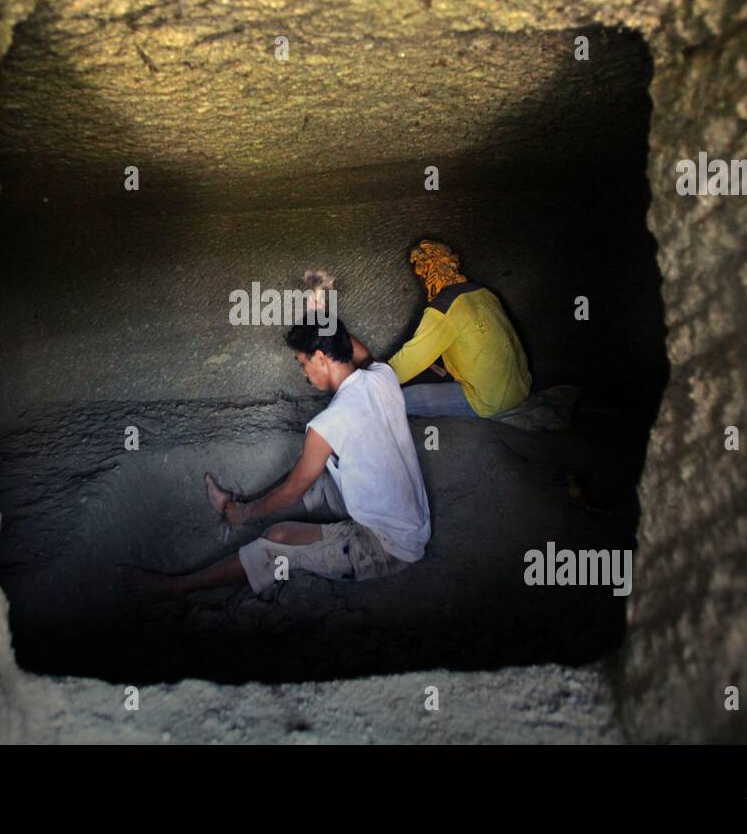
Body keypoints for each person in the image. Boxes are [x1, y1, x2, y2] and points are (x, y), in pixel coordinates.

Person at [117, 319, 430, 599]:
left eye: (302, 363)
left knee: (271, 547)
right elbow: (349, 346)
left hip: (386, 549)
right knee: (288, 518)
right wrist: (325, 319)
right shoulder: (382, 376)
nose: (304, 375)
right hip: (410, 526)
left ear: (320, 357)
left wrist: (246, 515)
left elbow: (290, 493)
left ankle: (176, 587)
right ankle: (234, 504)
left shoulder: (328, 425)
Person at [350, 240, 532, 419]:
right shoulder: (484, 293)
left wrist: (374, 377)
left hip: (492, 401)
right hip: (521, 387)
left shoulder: (443, 307)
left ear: (427, 273)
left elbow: (407, 364)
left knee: (398, 398)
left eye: (420, 274)